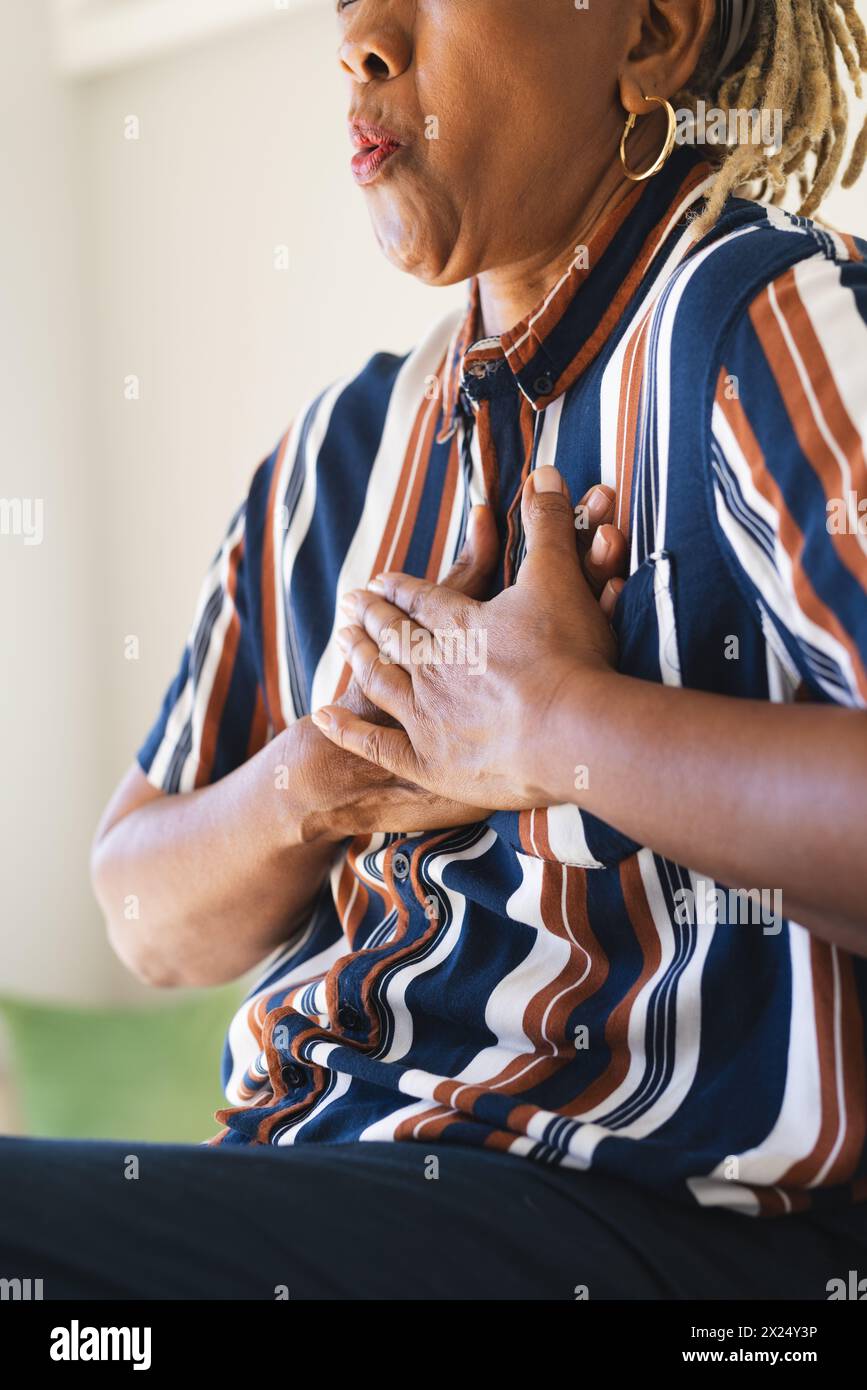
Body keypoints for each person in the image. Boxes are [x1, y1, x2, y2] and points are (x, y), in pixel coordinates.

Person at [5, 0, 867, 1300]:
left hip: (633, 1212)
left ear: (653, 39)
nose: (360, 37)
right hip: (319, 1176)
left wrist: (555, 730)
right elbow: (143, 913)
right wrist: (332, 767)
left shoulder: (764, 321)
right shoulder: (336, 460)